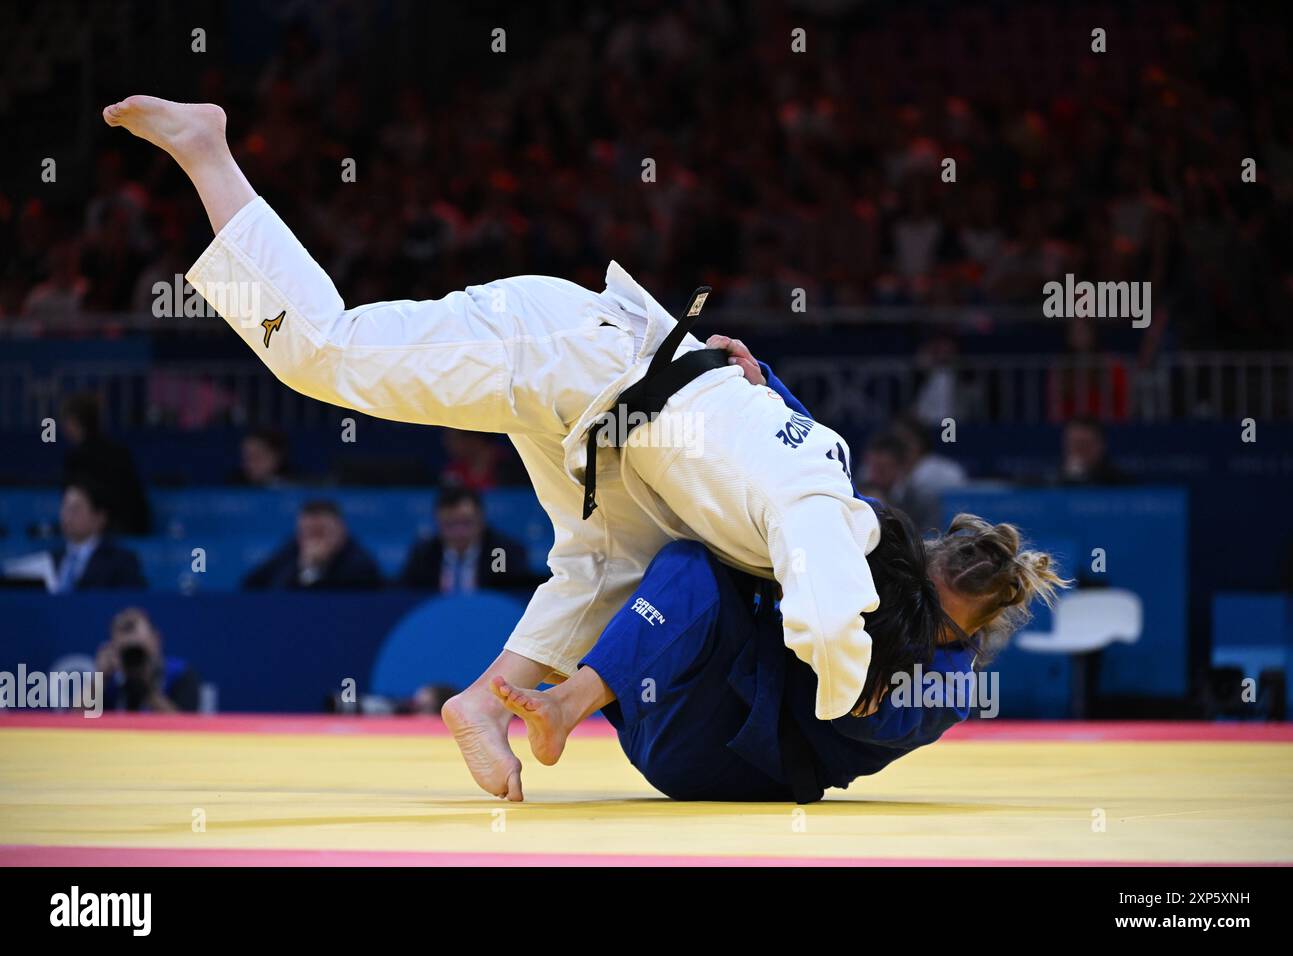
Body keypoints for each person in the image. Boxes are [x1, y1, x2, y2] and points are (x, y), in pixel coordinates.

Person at [103, 95, 1000, 802]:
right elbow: (831, 614)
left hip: (611, 438)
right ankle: (207, 150)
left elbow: (786, 467)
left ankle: (481, 707)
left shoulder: (827, 477)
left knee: (602, 572)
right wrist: (849, 680)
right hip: (572, 355)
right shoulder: (820, 509)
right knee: (327, 355)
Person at [492, 510, 1067, 802]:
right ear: (924, 559)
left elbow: (855, 711)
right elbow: (813, 479)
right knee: (692, 558)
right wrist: (760, 379)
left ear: (972, 632)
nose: (915, 612)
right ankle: (566, 704)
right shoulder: (879, 560)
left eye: (936, 621)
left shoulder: (949, 686)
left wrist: (865, 669)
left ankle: (565, 706)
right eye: (919, 591)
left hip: (733, 761)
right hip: (669, 710)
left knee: (712, 579)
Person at [399, 486, 539, 593]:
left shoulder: (500, 551)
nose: (459, 532)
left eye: (466, 523)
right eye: (450, 524)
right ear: (438, 523)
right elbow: (408, 597)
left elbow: (508, 593)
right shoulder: (424, 554)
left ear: (481, 520)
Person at [60, 392, 152, 534]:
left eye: (67, 422)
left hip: (118, 529)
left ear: (75, 422)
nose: (64, 429)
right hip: (129, 526)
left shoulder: (78, 459)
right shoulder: (119, 451)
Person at [242, 499, 382, 590]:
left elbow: (324, 600)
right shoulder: (290, 550)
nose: (314, 540)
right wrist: (305, 566)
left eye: (321, 532)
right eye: (307, 532)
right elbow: (252, 585)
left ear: (341, 530)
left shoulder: (360, 563)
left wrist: (311, 569)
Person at [43, 481, 147, 592]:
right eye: (64, 507)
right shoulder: (49, 560)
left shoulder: (122, 562)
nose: (66, 515)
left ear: (100, 517)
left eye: (75, 509)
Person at [96, 607, 201, 713]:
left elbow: (185, 726)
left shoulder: (179, 675)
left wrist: (148, 691)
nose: (133, 658)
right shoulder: (110, 680)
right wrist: (99, 680)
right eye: (127, 652)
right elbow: (80, 720)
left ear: (156, 640)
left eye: (138, 651)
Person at [1054, 416, 1130, 486]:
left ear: (1101, 445)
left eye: (1084, 444)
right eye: (1073, 444)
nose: (1078, 450)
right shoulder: (1052, 481)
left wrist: (1082, 479)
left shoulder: (1120, 482)